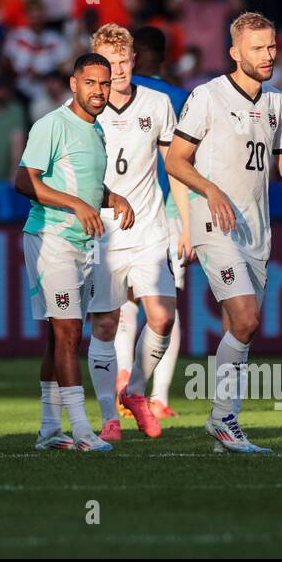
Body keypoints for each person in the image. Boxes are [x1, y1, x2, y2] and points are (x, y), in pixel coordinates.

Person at [166, 13, 282, 454]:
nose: (267, 56)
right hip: (215, 224)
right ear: (235, 52)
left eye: (271, 47)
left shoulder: (276, 104)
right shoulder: (206, 97)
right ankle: (224, 421)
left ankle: (223, 426)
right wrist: (209, 190)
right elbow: (176, 160)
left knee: (241, 328)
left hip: (256, 229)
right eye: (257, 49)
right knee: (247, 319)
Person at [15, 52, 134, 452]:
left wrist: (110, 196)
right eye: (90, 83)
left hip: (81, 243)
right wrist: (76, 205)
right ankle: (83, 430)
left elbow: (85, 184)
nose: (98, 91)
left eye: (104, 84)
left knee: (58, 335)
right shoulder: (52, 124)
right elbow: (23, 181)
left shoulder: (97, 131)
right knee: (68, 334)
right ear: (73, 84)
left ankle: (50, 430)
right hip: (51, 239)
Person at [83, 25, 183, 442]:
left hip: (151, 231)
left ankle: (137, 390)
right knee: (105, 325)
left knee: (162, 316)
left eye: (124, 61)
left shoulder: (158, 103)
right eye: (110, 63)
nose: (119, 70)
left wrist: (188, 228)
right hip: (104, 236)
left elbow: (174, 166)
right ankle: (109, 415)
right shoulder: (84, 111)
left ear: (134, 60)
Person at [125, 25, 193, 419]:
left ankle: (122, 382)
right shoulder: (181, 98)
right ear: (163, 57)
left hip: (122, 209)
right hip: (167, 211)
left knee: (123, 308)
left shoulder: (111, 90)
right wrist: (191, 223)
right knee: (168, 306)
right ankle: (160, 396)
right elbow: (192, 161)